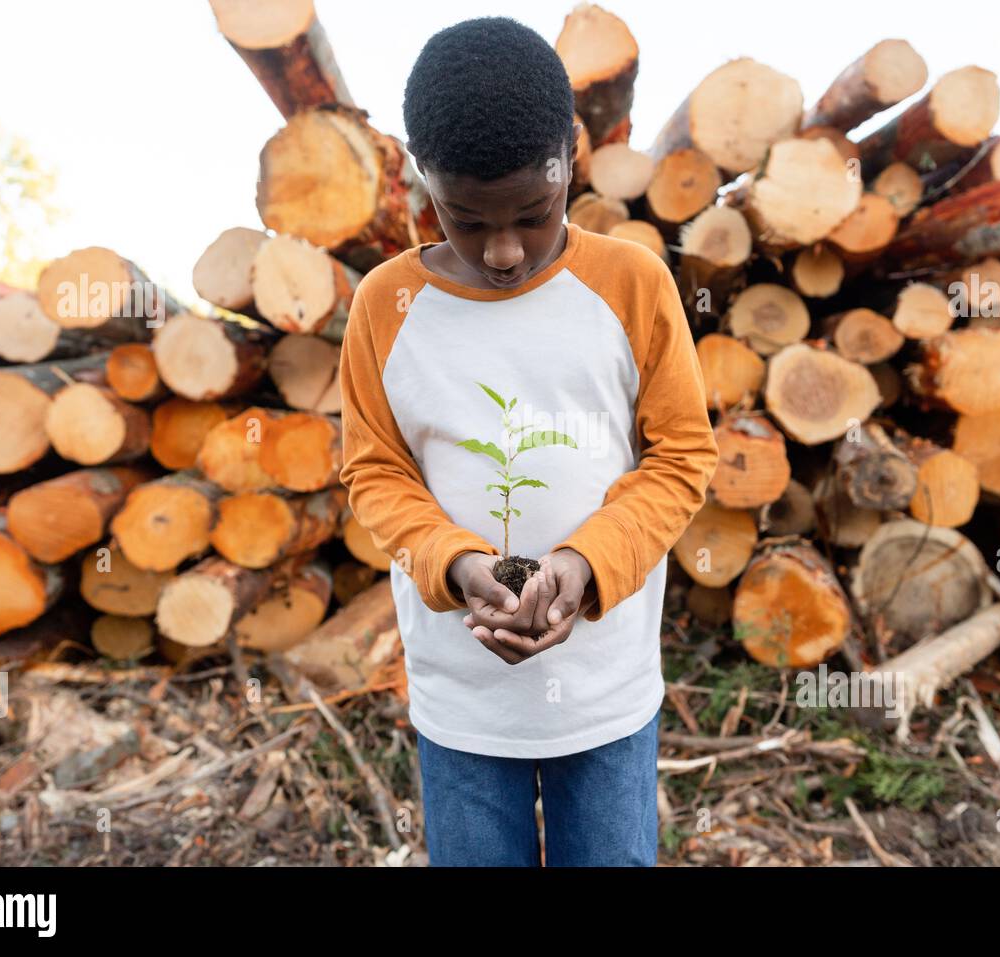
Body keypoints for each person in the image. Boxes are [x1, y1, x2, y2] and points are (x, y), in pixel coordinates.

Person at [337, 16, 718, 866]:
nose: (504, 251)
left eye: (534, 215)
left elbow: (682, 455)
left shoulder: (632, 284)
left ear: (571, 161)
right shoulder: (386, 308)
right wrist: (456, 563)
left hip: (604, 695)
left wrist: (585, 566)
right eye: (466, 220)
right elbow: (374, 469)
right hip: (463, 702)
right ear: (422, 179)